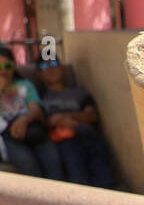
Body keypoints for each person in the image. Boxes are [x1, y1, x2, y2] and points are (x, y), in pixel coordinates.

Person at [37, 59, 116, 187]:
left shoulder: (79, 93)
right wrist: (56, 121)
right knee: (78, 175)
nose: (50, 69)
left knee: (104, 177)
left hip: (89, 136)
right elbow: (41, 121)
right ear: (38, 74)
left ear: (62, 68)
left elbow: (92, 115)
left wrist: (67, 117)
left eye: (54, 64)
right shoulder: (40, 96)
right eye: (44, 66)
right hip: (62, 141)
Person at [0, 46, 63, 180]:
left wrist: (24, 119)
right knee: (27, 163)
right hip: (8, 136)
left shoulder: (25, 85)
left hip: (33, 129)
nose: (3, 69)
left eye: (7, 65)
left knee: (53, 161)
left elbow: (35, 109)